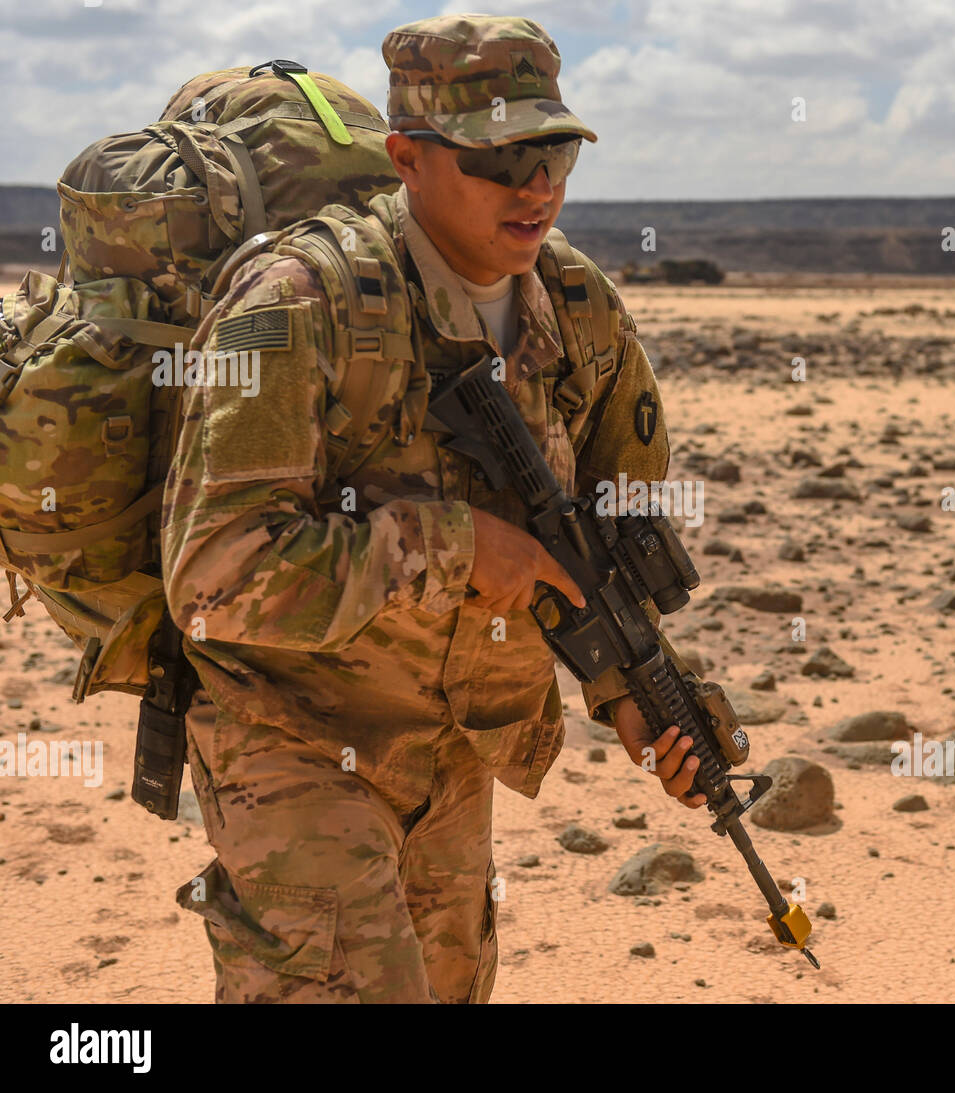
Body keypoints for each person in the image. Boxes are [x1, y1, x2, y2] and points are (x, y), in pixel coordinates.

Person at [161, 13, 705, 1004]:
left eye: (554, 153)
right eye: (500, 158)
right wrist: (445, 545)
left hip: (452, 742)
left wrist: (638, 697)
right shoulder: (293, 307)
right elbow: (213, 576)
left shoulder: (578, 310)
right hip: (286, 728)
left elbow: (592, 548)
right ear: (406, 158)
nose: (536, 186)